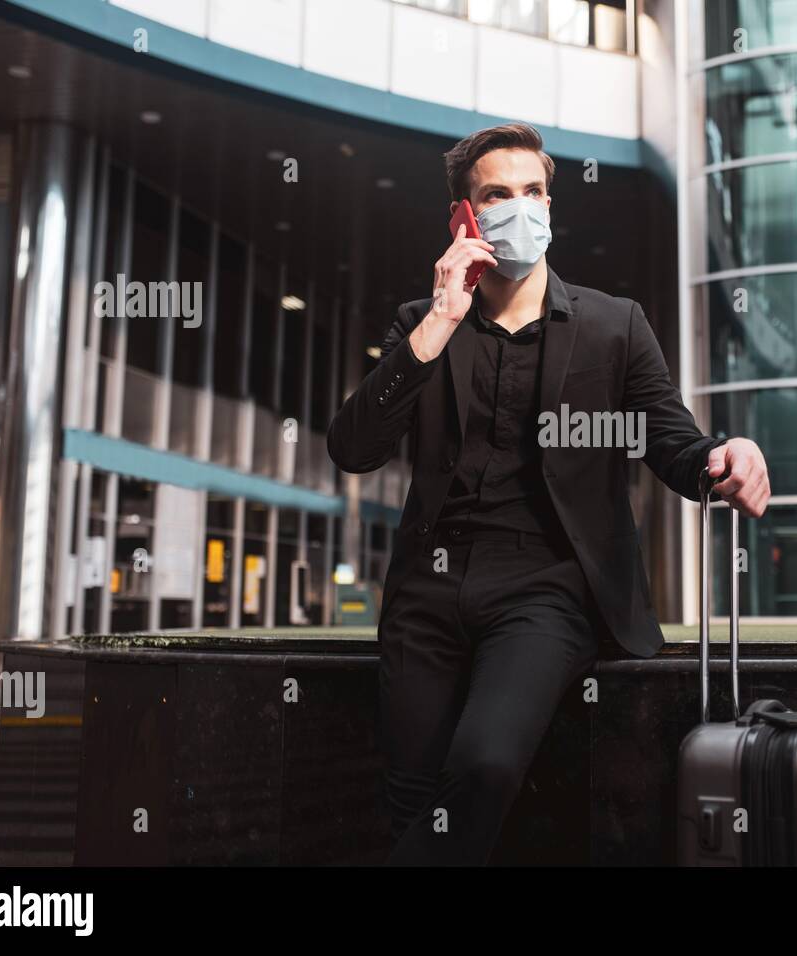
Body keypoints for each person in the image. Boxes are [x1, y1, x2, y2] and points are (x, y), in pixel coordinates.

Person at [327, 122, 770, 865]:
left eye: (533, 192)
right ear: (463, 218)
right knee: (409, 796)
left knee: (486, 764)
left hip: (546, 589)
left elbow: (671, 442)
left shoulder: (612, 326)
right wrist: (440, 319)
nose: (520, 208)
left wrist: (726, 454)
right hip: (429, 589)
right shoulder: (423, 326)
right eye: (497, 195)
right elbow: (354, 448)